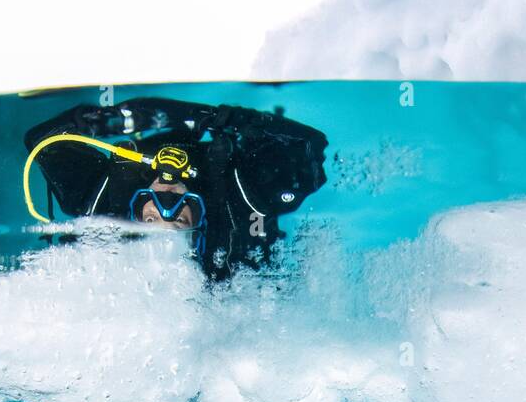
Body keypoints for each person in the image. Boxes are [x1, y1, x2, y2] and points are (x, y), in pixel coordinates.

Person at [23, 95, 328, 281]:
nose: (167, 201)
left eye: (152, 220)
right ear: (199, 222)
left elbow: (40, 140)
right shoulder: (240, 199)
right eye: (180, 219)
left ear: (135, 217)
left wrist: (100, 121)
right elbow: (311, 146)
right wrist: (242, 120)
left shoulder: (100, 200)